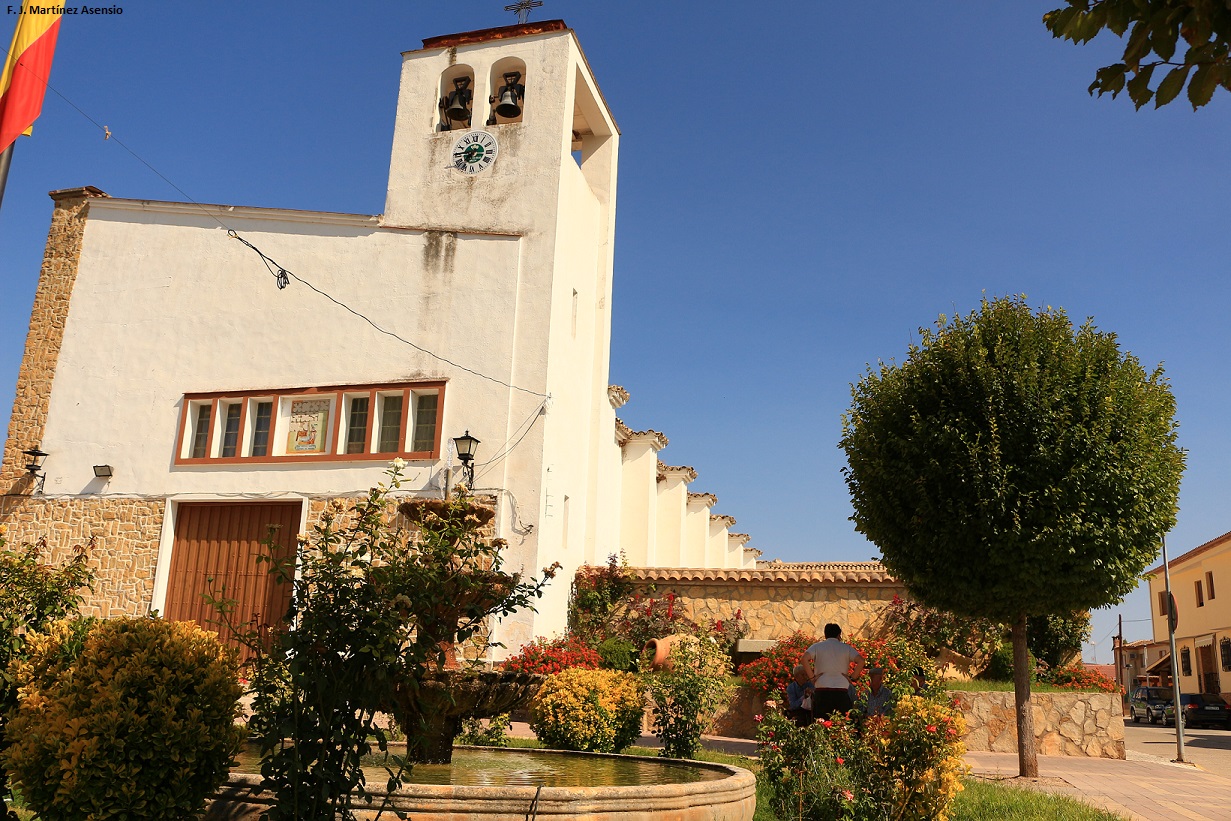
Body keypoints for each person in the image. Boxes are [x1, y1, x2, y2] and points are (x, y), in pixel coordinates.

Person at [803, 623, 864, 720]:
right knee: (842, 725)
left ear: (825, 634)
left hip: (822, 691)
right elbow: (861, 661)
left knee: (822, 725)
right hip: (841, 692)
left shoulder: (817, 647)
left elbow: (804, 658)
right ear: (839, 634)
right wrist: (852, 677)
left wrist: (812, 678)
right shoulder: (846, 648)